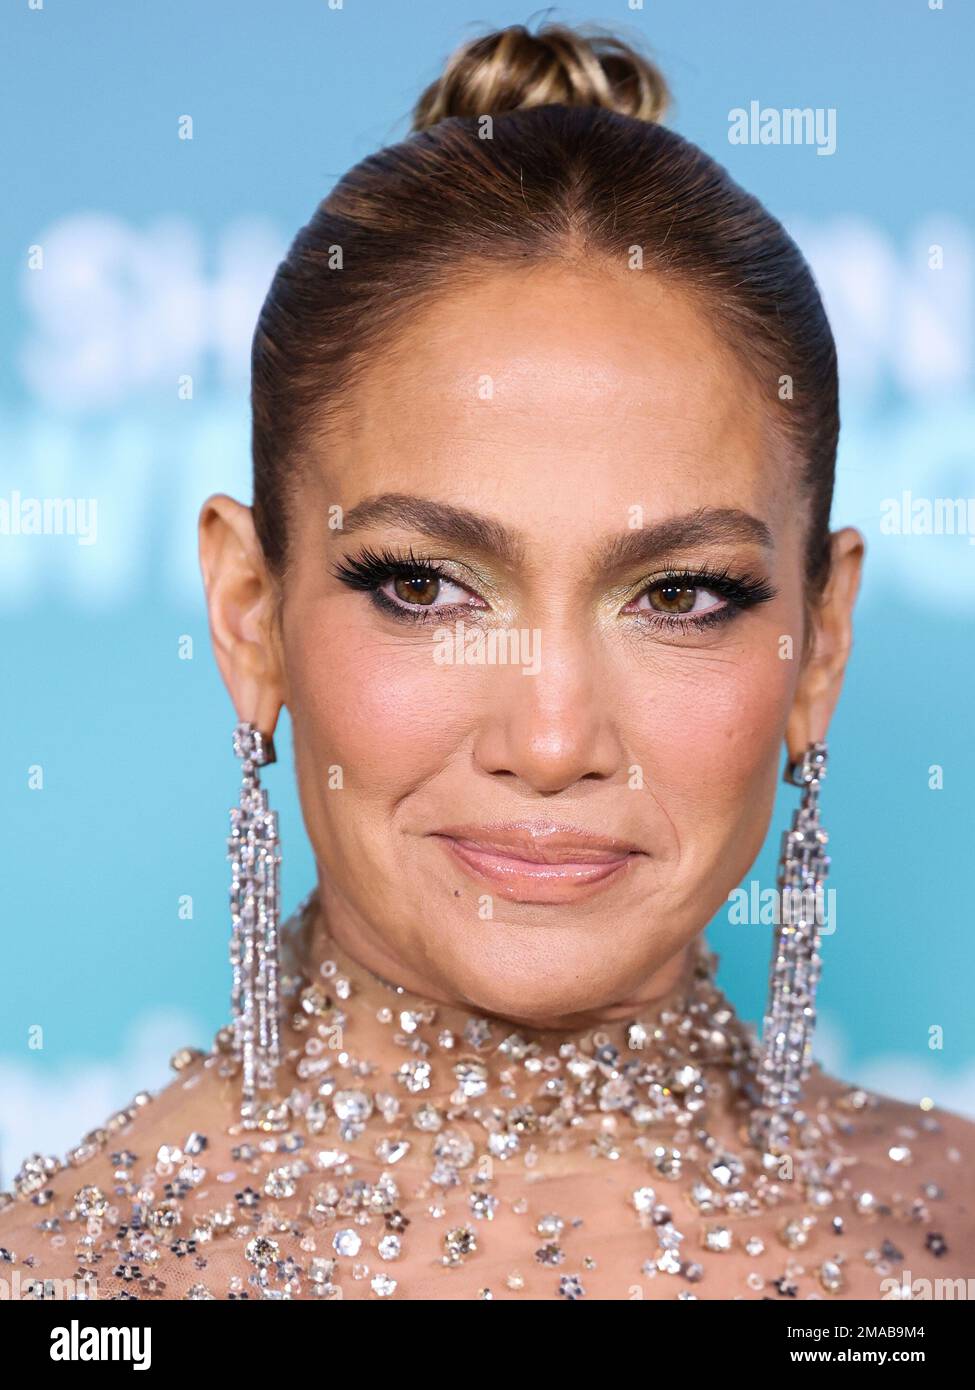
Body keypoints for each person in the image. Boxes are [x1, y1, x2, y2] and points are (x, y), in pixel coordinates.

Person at [2, 22, 972, 1302]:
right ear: (250, 613)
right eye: (426, 586)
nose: (554, 736)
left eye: (679, 595)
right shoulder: (59, 1285)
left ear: (818, 644)